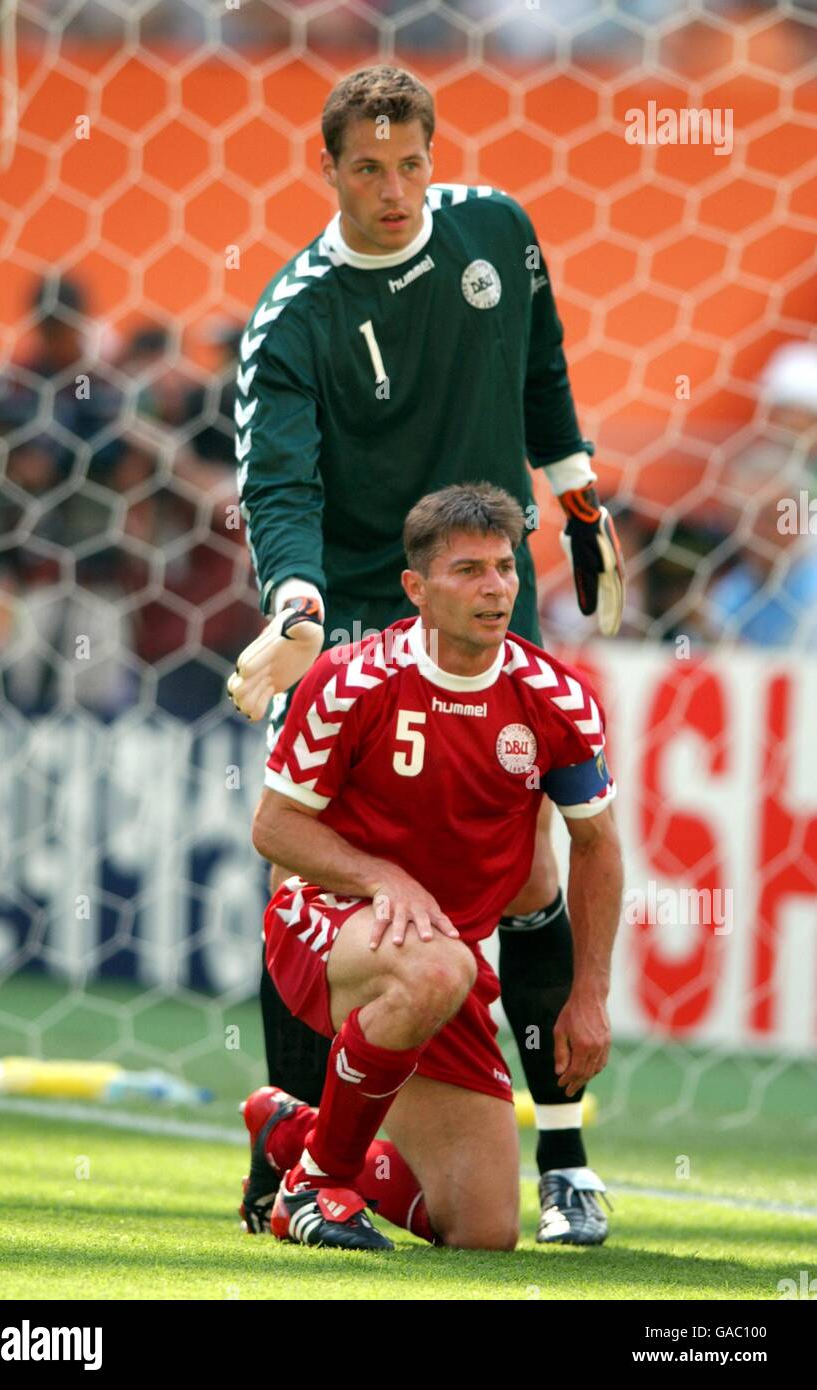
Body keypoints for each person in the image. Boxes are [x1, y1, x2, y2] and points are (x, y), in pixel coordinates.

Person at [229, 64, 624, 1241]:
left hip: (486, 594)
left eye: (411, 164)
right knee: (315, 874)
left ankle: (563, 1156)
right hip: (353, 609)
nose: (394, 190)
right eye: (368, 168)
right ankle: (296, 1149)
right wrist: (297, 609)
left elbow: (539, 364)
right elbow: (276, 481)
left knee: (532, 873)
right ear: (330, 169)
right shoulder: (293, 317)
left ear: (432, 155)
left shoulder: (494, 229)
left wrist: (572, 488)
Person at [240, 484, 622, 1250]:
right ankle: (312, 1191)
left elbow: (597, 846)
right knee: (438, 968)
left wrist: (590, 996)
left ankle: (290, 1135)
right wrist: (383, 879)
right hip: (322, 920)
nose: (495, 588)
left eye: (506, 568)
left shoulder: (557, 700)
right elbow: (274, 828)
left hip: (443, 966)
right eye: (469, 570)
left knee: (481, 1233)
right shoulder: (353, 680)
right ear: (415, 587)